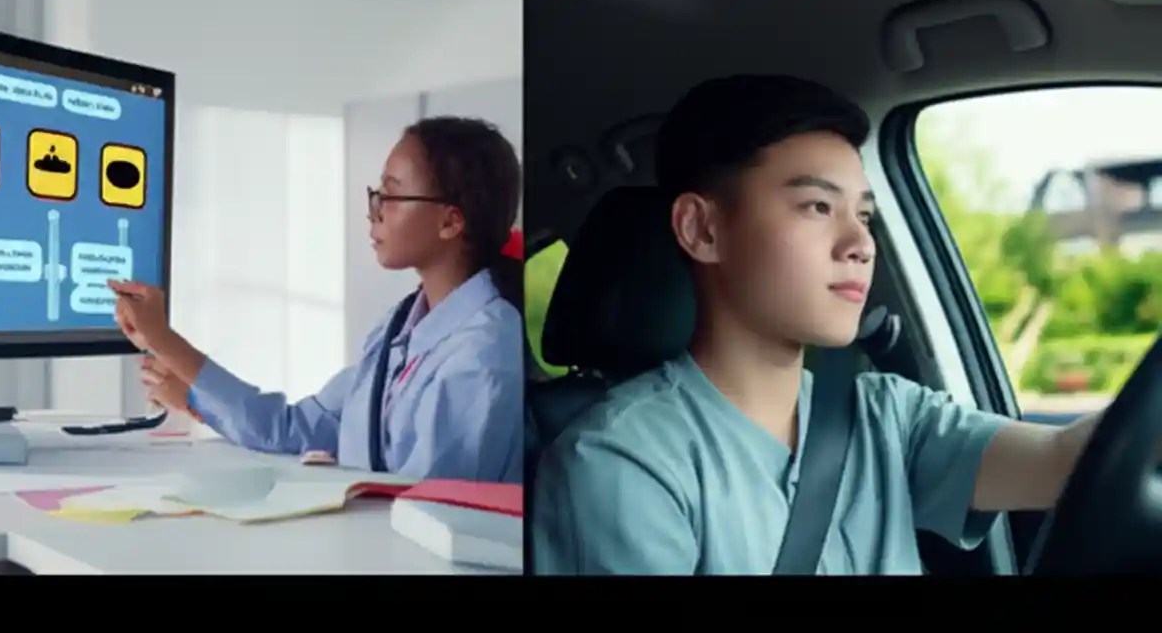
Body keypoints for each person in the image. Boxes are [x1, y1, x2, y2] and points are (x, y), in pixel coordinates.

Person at [529, 74, 1106, 574]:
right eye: (817, 207)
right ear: (702, 230)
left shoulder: (886, 416)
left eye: (864, 215)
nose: (860, 244)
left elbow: (1064, 460)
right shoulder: (618, 463)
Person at [109, 116, 524, 484]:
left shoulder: (481, 355)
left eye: (391, 195)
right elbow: (291, 428)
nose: (374, 210)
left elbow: (430, 513)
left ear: (450, 221)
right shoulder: (398, 328)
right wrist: (170, 354)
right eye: (376, 193)